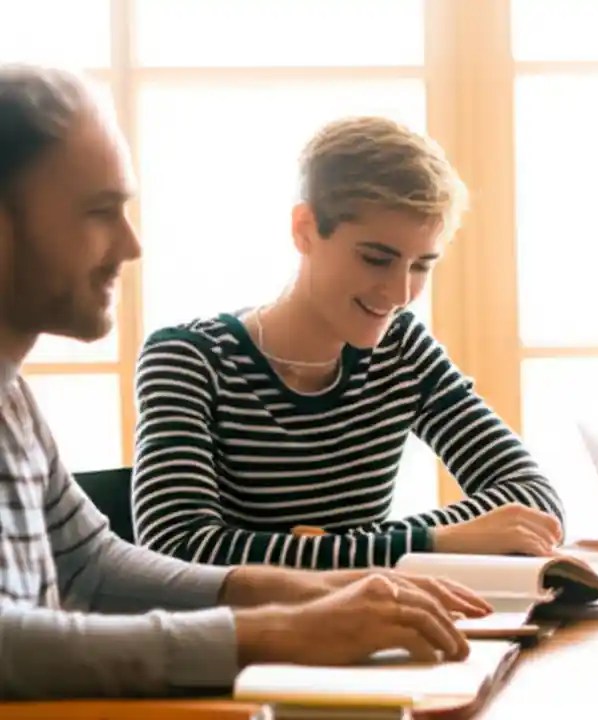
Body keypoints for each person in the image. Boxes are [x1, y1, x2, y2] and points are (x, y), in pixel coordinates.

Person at [0, 64, 493, 699]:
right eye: (100, 212)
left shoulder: (13, 398)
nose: (131, 245)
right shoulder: (190, 356)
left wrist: (319, 588)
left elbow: (93, 566)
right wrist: (273, 632)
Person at [131, 115, 564, 568]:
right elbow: (177, 550)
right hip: (246, 637)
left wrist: (344, 545)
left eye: (421, 266)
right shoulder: (187, 359)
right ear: (304, 229)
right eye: (377, 259)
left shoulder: (401, 349)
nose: (400, 295)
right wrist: (435, 542)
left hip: (370, 631)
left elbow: (533, 504)